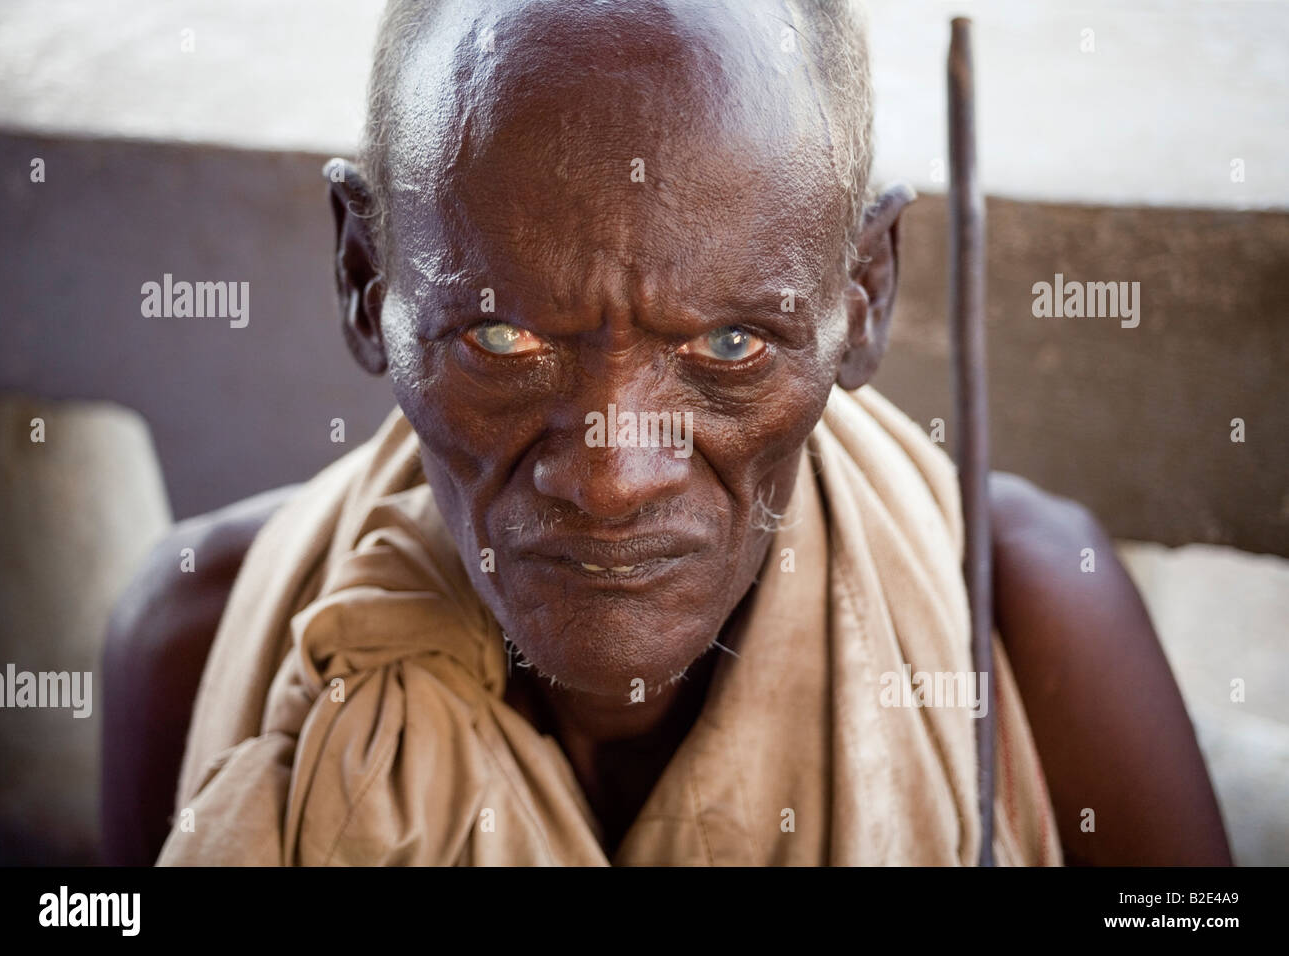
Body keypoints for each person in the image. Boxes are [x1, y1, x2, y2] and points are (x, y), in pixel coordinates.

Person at [151, 0, 1230, 865]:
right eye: (500, 335)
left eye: (729, 346)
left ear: (861, 295)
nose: (614, 475)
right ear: (362, 278)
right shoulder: (196, 639)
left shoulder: (1024, 629)